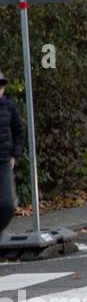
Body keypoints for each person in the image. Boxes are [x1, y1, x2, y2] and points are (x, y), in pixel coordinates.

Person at [0, 71, 24, 235]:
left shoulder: (9, 106)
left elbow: (19, 130)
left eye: (1, 85)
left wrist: (15, 154)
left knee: (8, 205)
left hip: (3, 162)